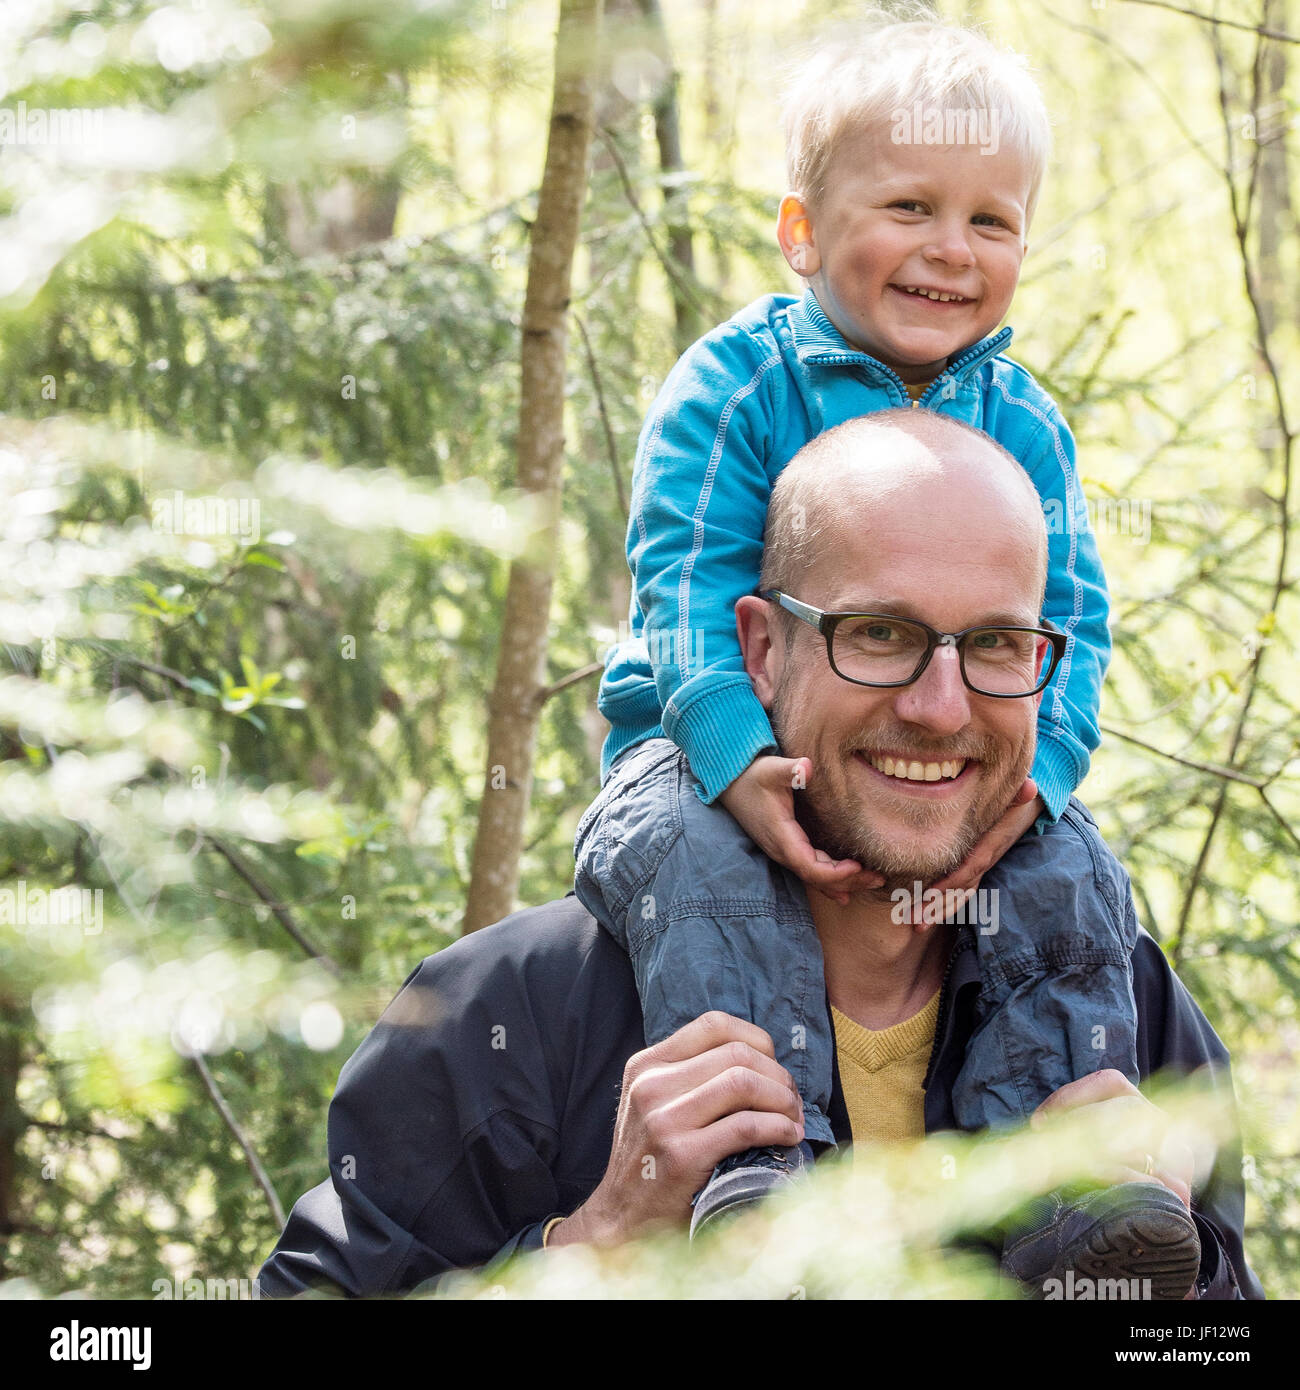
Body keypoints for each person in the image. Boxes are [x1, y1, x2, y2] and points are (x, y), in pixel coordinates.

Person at [256, 415, 1262, 1301]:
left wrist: (1181, 1288)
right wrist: (597, 1246)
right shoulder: (516, 1009)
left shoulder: (1118, 1004)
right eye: (879, 633)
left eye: (996, 645)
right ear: (760, 649)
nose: (939, 706)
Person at [578, 11, 1123, 1242]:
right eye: (909, 208)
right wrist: (732, 755)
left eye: (991, 221)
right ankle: (754, 1167)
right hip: (687, 748)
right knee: (700, 867)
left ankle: (1061, 1182)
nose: (950, 249)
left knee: (1074, 875)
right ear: (802, 230)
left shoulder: (1024, 424)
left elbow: (1074, 625)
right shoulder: (738, 384)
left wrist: (1038, 773)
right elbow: (681, 578)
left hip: (947, 778)